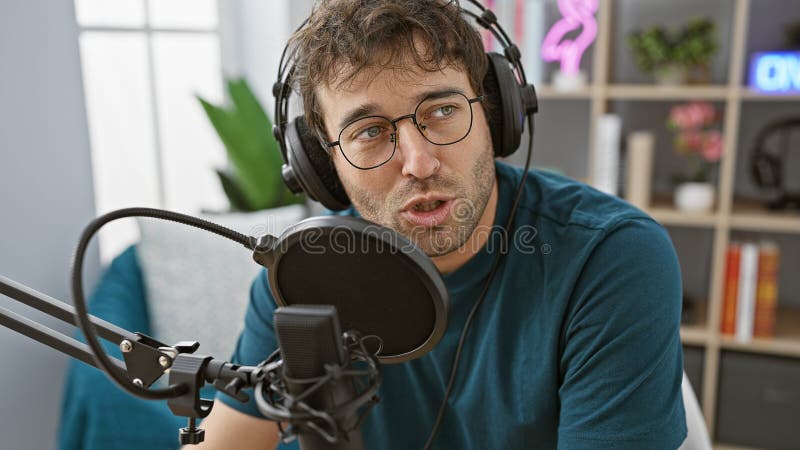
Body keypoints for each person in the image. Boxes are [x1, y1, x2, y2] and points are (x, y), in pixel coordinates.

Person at [192, 0, 687, 448]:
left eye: (443, 110)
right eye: (369, 132)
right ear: (321, 168)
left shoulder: (609, 259)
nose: (419, 162)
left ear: (495, 113)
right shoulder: (304, 277)